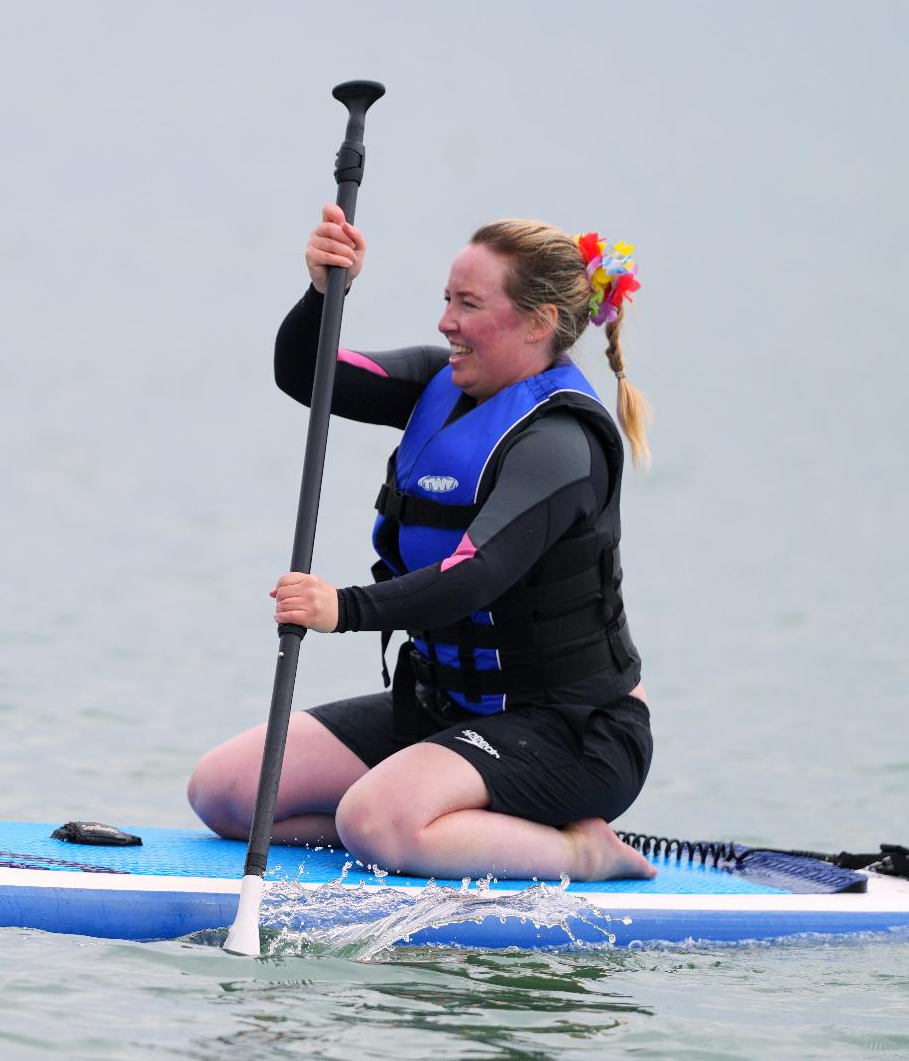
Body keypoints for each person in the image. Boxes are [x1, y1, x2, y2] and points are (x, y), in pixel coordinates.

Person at [186, 205, 657, 881]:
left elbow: (475, 574)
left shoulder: (560, 442)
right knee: (226, 793)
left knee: (375, 820)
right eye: (446, 300)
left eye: (468, 304)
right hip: (446, 708)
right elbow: (305, 374)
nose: (445, 322)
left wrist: (345, 607)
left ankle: (581, 852)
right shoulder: (440, 384)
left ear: (539, 322)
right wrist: (323, 292)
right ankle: (424, 825)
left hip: (569, 734)